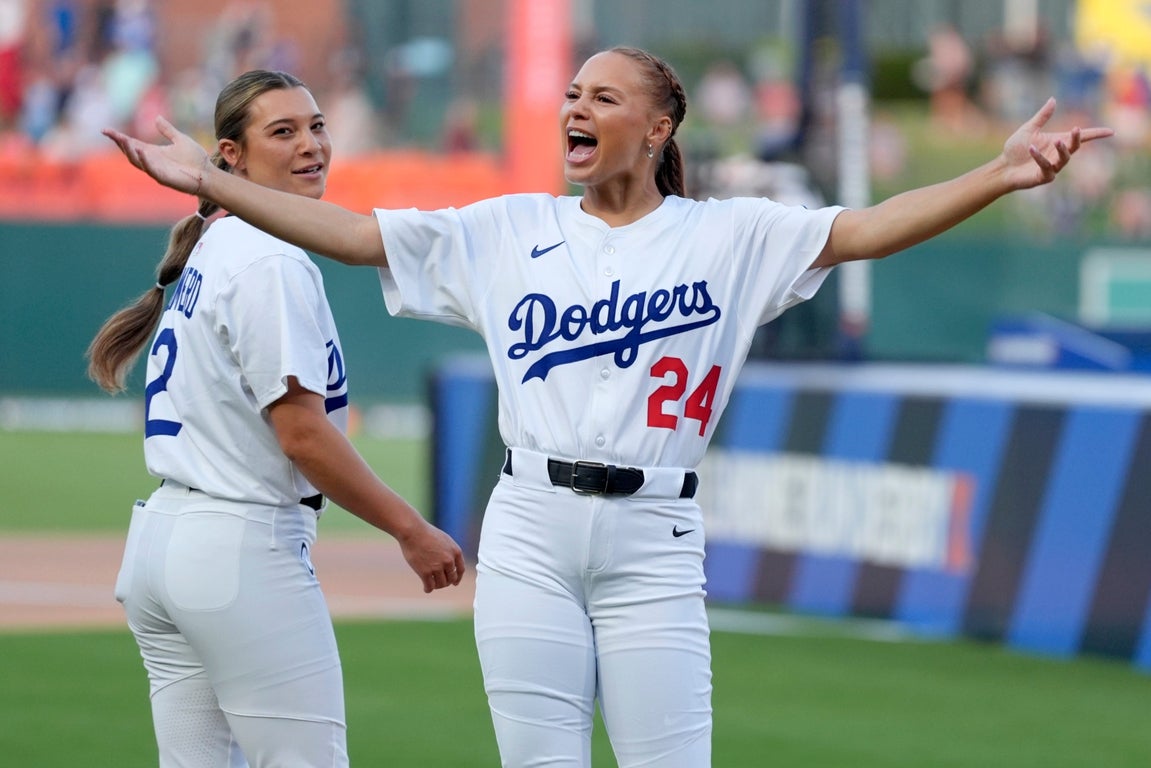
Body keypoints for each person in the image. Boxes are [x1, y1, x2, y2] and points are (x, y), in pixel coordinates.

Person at [103, 46, 1112, 768]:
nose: (574, 109)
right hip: (530, 529)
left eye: (602, 97)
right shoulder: (507, 229)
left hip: (653, 535)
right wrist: (213, 186)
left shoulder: (729, 235)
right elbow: (359, 237)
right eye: (571, 94)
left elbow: (866, 229)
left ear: (657, 128)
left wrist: (996, 174)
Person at [88, 69, 465, 767]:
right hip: (239, 547)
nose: (310, 145)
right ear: (230, 156)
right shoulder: (269, 259)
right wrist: (409, 529)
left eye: (316, 126)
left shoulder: (216, 243)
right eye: (283, 132)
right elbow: (301, 434)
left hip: (163, 543)